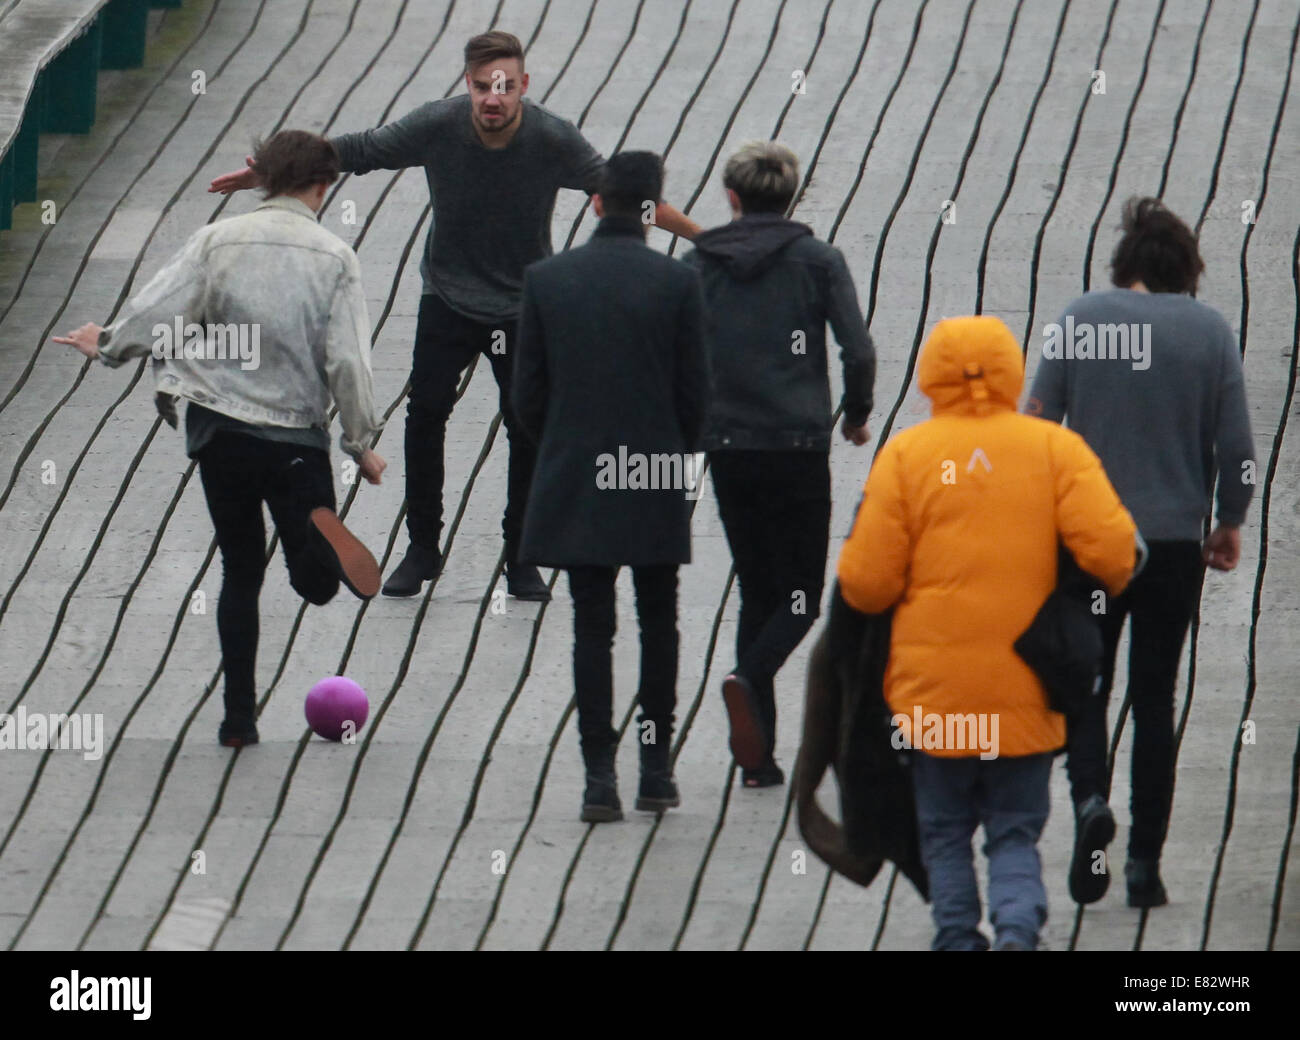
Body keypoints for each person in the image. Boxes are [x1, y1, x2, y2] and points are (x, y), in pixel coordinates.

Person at [210, 30, 702, 602]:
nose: (493, 99)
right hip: (446, 295)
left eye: (505, 87)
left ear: (524, 87)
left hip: (522, 304)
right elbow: (358, 150)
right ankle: (422, 548)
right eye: (481, 87)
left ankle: (522, 558)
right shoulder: (438, 125)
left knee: (528, 427)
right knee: (425, 416)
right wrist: (271, 173)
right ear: (467, 85)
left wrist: (709, 239)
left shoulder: (552, 138)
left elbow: (625, 196)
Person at [54, 130, 387, 748]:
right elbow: (348, 360)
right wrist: (359, 440)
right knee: (314, 584)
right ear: (324, 186)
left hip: (220, 431)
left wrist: (106, 343)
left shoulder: (215, 241)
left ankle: (238, 719)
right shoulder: (335, 256)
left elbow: (159, 313)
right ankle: (316, 532)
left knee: (239, 568)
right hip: (295, 434)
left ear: (264, 181)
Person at [838, 316, 1140, 951]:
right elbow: (1115, 555)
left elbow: (865, 584)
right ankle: (1017, 931)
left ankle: (955, 936)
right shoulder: (1054, 451)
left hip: (934, 697)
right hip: (1025, 687)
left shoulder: (907, 455)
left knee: (944, 829)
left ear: (932, 377)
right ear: (1010, 370)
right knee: (1013, 829)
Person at [1026, 196, 1256, 908]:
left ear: (1124, 265)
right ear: (1186, 271)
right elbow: (1239, 450)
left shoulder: (1080, 319)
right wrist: (1229, 520)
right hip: (1170, 546)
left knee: (1085, 683)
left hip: (1087, 544)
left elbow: (1036, 426)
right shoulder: (1209, 331)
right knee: (1154, 698)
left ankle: (1091, 798)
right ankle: (1144, 866)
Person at [512, 151, 709, 823]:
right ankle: (656, 770)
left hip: (578, 475)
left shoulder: (546, 280)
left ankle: (600, 777)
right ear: (653, 209)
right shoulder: (679, 286)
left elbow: (526, 400)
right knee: (660, 621)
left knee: (591, 627)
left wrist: (566, 449)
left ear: (596, 202)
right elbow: (696, 399)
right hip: (653, 474)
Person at [683, 141, 875, 788]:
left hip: (729, 449)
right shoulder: (819, 261)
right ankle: (749, 678)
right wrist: (854, 413)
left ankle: (757, 759)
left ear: (731, 198)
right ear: (790, 195)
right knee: (799, 598)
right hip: (797, 447)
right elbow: (859, 349)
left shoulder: (699, 264)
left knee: (758, 589)